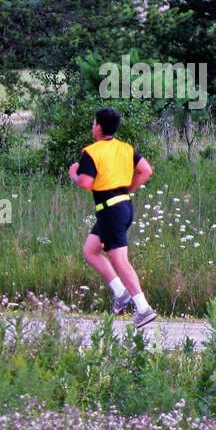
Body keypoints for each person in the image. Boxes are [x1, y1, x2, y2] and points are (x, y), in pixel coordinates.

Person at [67, 106, 156, 329]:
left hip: (110, 211)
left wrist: (73, 174)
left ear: (98, 126)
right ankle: (120, 292)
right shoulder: (126, 148)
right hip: (122, 207)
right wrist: (128, 189)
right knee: (91, 250)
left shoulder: (91, 152)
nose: (92, 126)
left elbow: (86, 183)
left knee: (119, 260)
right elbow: (146, 170)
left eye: (93, 123)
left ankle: (143, 307)